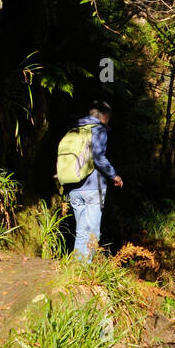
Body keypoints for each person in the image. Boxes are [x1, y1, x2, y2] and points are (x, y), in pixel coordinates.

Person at [65, 100, 123, 259]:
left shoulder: (76, 128)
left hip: (74, 187)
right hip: (92, 188)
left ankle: (77, 268)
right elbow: (98, 156)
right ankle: (84, 270)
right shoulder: (99, 129)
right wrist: (114, 175)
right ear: (105, 117)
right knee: (92, 233)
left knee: (81, 231)